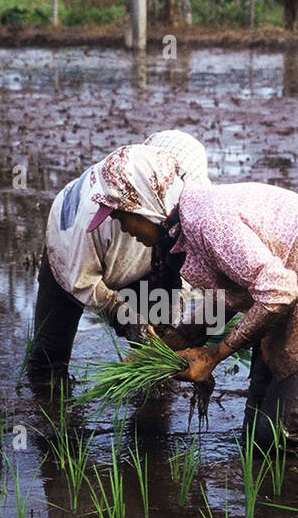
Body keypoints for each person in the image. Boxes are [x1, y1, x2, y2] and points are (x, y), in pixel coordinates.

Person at [91, 180, 298, 454]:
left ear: (144, 206)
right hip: (296, 297)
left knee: (285, 436)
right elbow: (237, 291)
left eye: (121, 217)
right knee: (256, 435)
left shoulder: (207, 223)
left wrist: (215, 354)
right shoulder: (187, 222)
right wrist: (182, 336)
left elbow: (278, 291)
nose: (123, 228)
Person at [27, 131, 211, 380]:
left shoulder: (180, 204)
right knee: (48, 361)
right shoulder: (91, 221)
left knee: (158, 354)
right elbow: (83, 282)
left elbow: (194, 271)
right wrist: (123, 316)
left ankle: (152, 409)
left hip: (144, 263)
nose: (123, 224)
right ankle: (47, 407)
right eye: (120, 217)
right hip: (69, 261)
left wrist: (176, 328)